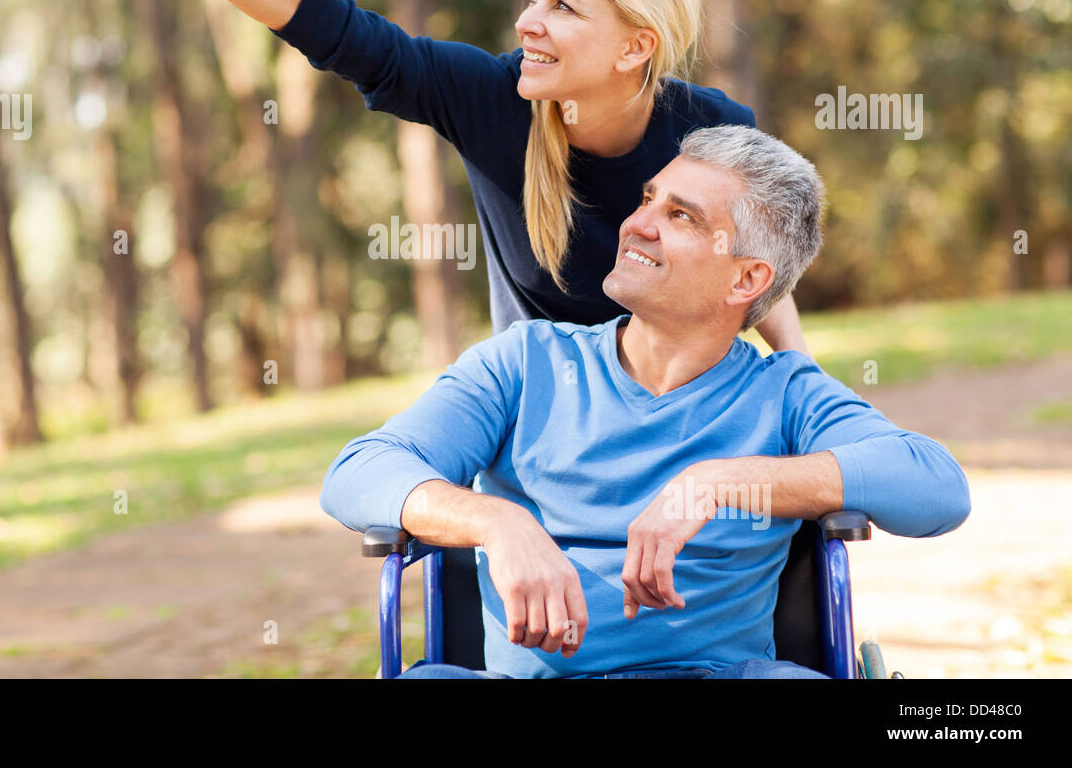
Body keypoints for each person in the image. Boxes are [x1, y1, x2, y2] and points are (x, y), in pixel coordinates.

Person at [56, 0, 809, 350]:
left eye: (564, 9)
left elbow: (758, 267)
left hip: (682, 407)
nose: (528, 22)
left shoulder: (711, 130)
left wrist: (800, 374)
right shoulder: (490, 99)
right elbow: (334, 25)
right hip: (542, 428)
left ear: (635, 47)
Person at [319, 125, 971, 678]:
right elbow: (361, 469)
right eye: (648, 200)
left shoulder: (786, 393)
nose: (637, 224)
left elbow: (936, 486)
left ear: (746, 277)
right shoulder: (526, 361)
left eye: (680, 216)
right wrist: (499, 522)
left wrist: (715, 482)